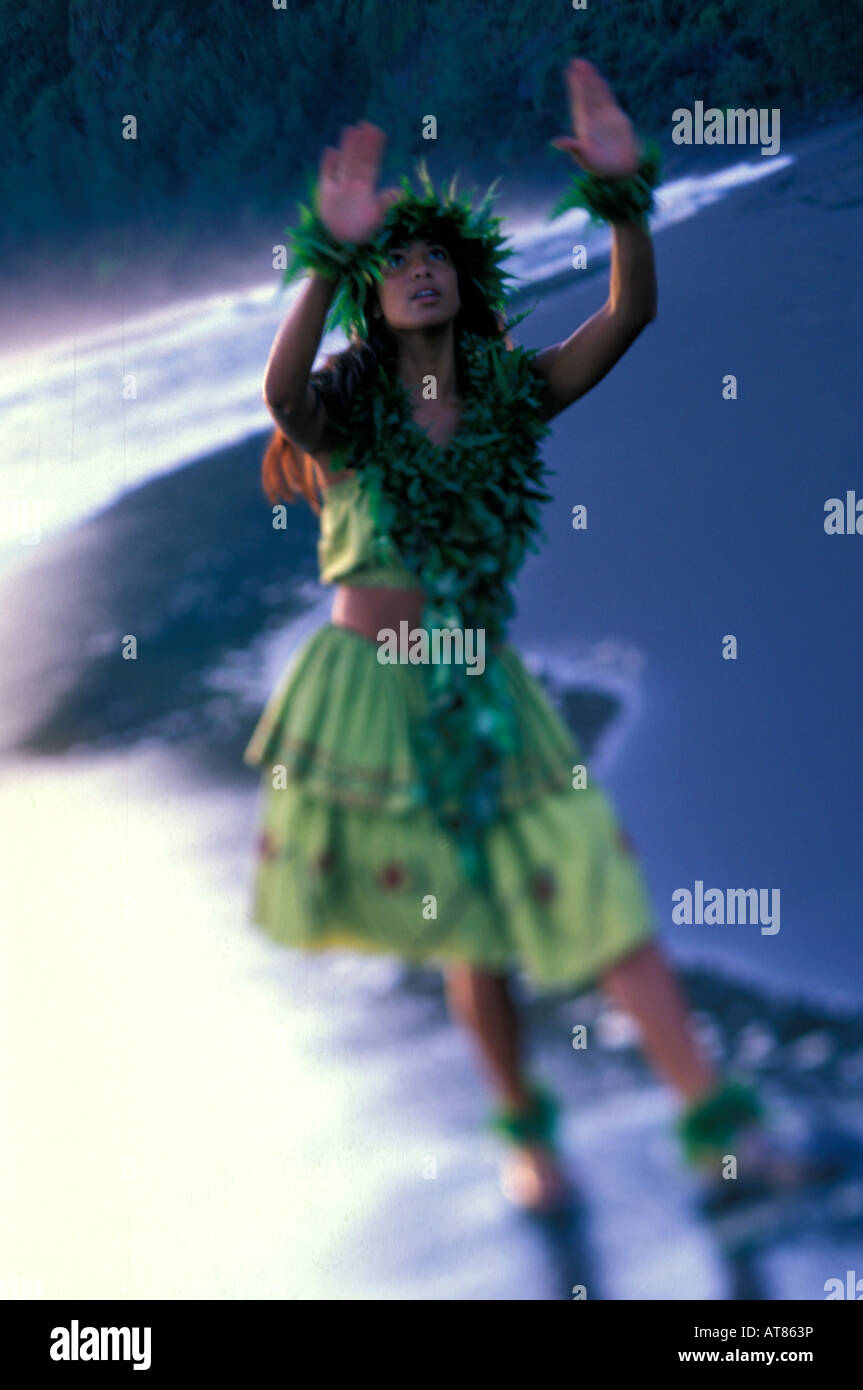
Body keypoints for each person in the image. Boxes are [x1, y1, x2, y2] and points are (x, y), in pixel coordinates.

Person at [244, 59, 831, 1212]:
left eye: (435, 259)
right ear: (372, 296)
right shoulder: (348, 418)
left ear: (465, 284)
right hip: (372, 689)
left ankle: (719, 1133)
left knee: (593, 885)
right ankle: (527, 1139)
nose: (417, 272)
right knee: (471, 930)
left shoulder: (513, 391)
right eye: (395, 261)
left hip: (484, 676)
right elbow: (279, 397)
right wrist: (320, 257)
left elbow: (629, 313)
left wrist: (622, 197)